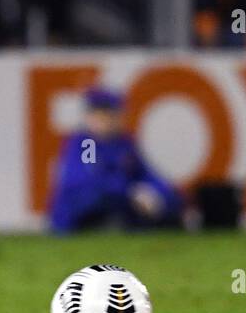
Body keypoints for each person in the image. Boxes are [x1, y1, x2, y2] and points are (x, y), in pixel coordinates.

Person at [48, 88, 183, 234]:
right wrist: (131, 193)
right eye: (102, 114)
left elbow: (148, 175)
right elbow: (92, 181)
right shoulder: (87, 143)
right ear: (89, 116)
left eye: (113, 114)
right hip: (80, 216)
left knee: (169, 202)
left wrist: (156, 193)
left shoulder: (123, 144)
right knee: (98, 198)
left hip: (119, 207)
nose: (109, 120)